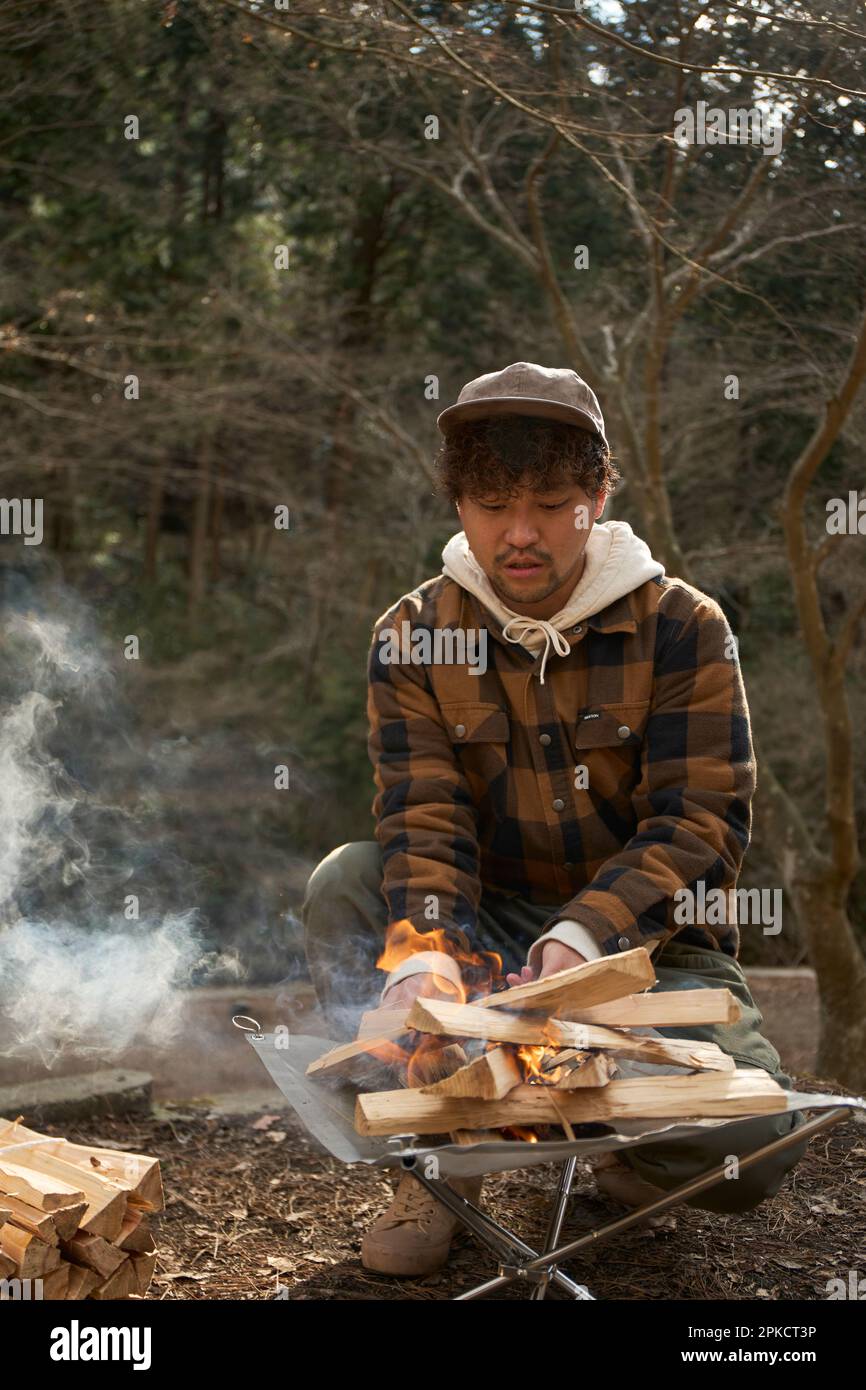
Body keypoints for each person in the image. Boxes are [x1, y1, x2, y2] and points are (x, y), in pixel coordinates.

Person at [302, 362, 809, 1278]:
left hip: (649, 951)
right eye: (493, 504)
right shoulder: (413, 633)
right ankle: (441, 1165)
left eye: (551, 501)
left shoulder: (683, 625)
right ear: (459, 504)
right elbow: (423, 815)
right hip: (485, 926)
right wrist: (423, 952)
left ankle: (620, 1146)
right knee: (344, 879)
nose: (521, 532)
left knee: (750, 1145)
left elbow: (703, 823)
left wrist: (587, 934)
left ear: (600, 494)